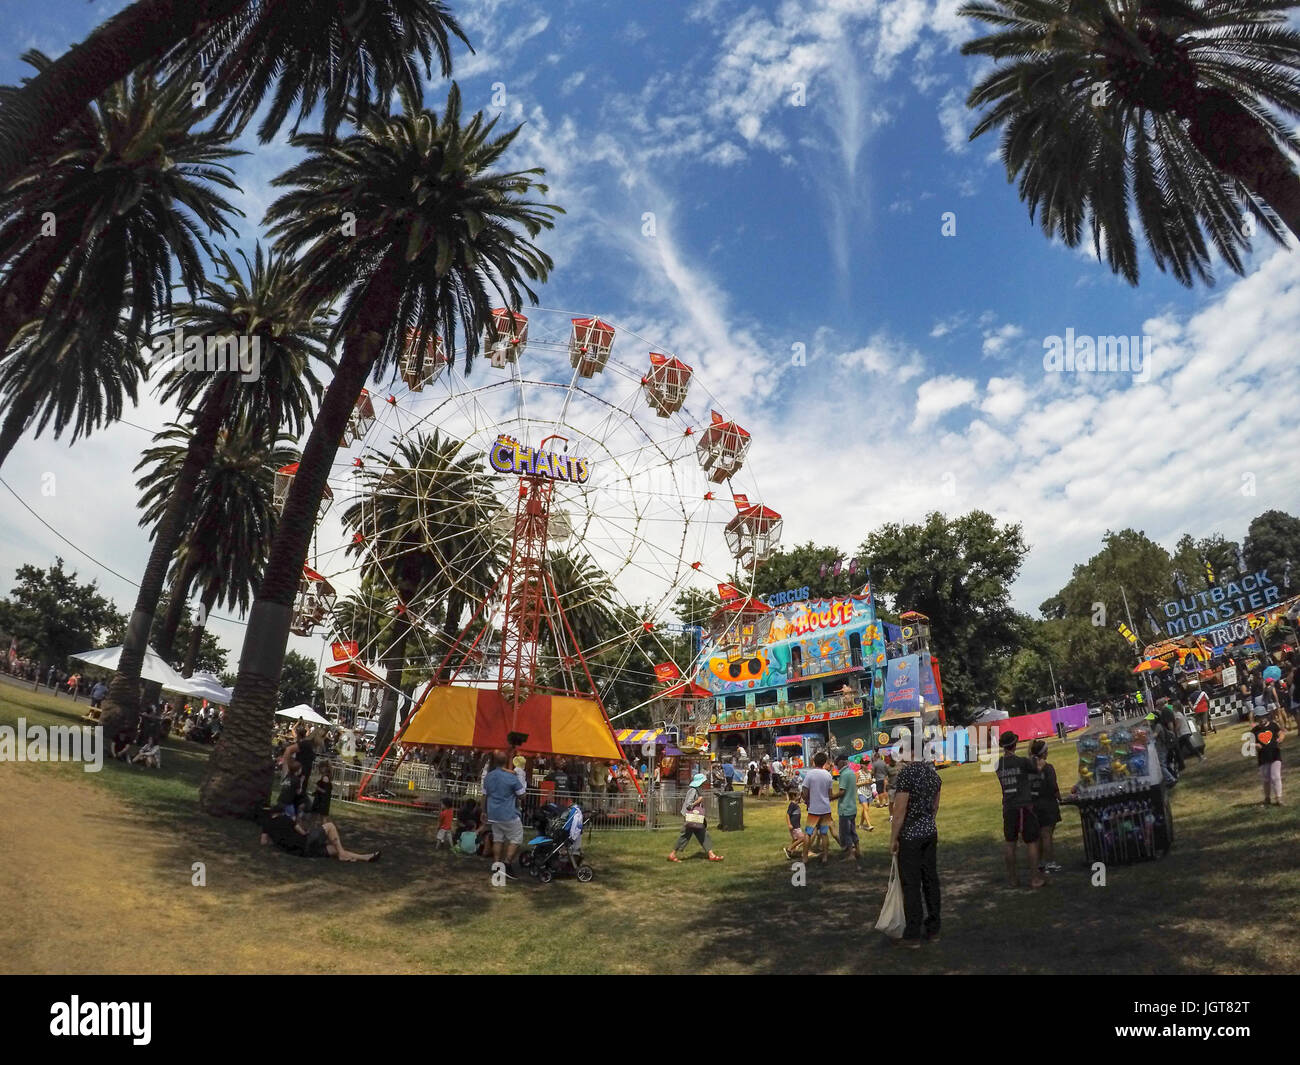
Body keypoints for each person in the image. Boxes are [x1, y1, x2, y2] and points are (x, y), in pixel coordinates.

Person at [890, 747, 942, 947]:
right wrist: (927, 822)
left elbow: (900, 809)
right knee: (930, 879)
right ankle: (934, 928)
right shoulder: (932, 774)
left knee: (911, 884)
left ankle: (912, 934)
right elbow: (935, 806)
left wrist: (894, 837)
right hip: (929, 831)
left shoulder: (906, 775)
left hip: (910, 835)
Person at [995, 731, 1043, 889]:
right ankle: (1035, 879)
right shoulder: (1022, 762)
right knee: (1031, 842)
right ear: (1015, 744)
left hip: (1008, 807)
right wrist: (1034, 757)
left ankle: (1012, 880)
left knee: (1010, 842)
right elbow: (1037, 768)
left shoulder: (998, 764)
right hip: (1024, 805)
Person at [259, 808, 379, 862]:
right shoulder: (286, 818)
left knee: (334, 849)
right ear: (278, 813)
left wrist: (275, 841)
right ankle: (343, 854)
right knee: (330, 826)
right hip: (304, 842)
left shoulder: (267, 826)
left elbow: (263, 842)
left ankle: (365, 857)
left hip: (300, 853)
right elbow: (302, 832)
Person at [483, 751, 526, 877]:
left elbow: (484, 796)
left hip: (493, 814)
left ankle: (496, 865)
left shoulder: (489, 776)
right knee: (517, 838)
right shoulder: (511, 778)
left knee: (498, 839)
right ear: (507, 761)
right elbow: (522, 795)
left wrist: (484, 811)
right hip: (508, 814)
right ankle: (507, 863)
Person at [668, 772, 723, 862]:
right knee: (685, 836)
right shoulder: (693, 790)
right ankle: (672, 854)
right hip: (691, 817)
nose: (704, 783)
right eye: (703, 781)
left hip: (696, 817)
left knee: (703, 834)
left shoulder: (698, 789)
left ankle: (711, 854)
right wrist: (698, 801)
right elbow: (688, 805)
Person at [1028, 739, 1062, 874]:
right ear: (1044, 752)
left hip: (1034, 804)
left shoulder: (1028, 768)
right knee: (1047, 835)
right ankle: (1050, 863)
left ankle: (1040, 862)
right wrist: (1060, 797)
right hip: (1048, 804)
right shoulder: (1048, 768)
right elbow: (1053, 786)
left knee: (1039, 836)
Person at [800, 751, 835, 864]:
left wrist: (807, 800)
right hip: (825, 809)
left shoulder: (810, 774)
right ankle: (825, 856)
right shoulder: (828, 775)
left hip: (814, 809)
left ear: (814, 762)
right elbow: (830, 795)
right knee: (824, 833)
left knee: (808, 833)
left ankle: (805, 857)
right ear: (825, 762)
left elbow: (804, 792)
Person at [1252, 706, 1285, 806]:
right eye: (1258, 718)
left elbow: (1281, 733)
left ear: (1266, 716)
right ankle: (1267, 798)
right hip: (1263, 757)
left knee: (1276, 777)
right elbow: (1250, 743)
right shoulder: (1255, 731)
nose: (1261, 719)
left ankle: (1279, 798)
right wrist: (1255, 745)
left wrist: (1280, 738)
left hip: (1275, 754)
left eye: (1262, 717)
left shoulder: (1273, 725)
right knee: (1266, 779)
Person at [781, 788, 807, 860]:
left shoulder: (795, 804)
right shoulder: (792, 804)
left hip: (797, 825)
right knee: (802, 838)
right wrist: (789, 824)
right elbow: (787, 814)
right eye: (797, 795)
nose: (799, 797)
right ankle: (789, 849)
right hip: (794, 826)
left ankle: (791, 852)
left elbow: (801, 799)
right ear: (793, 796)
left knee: (796, 840)